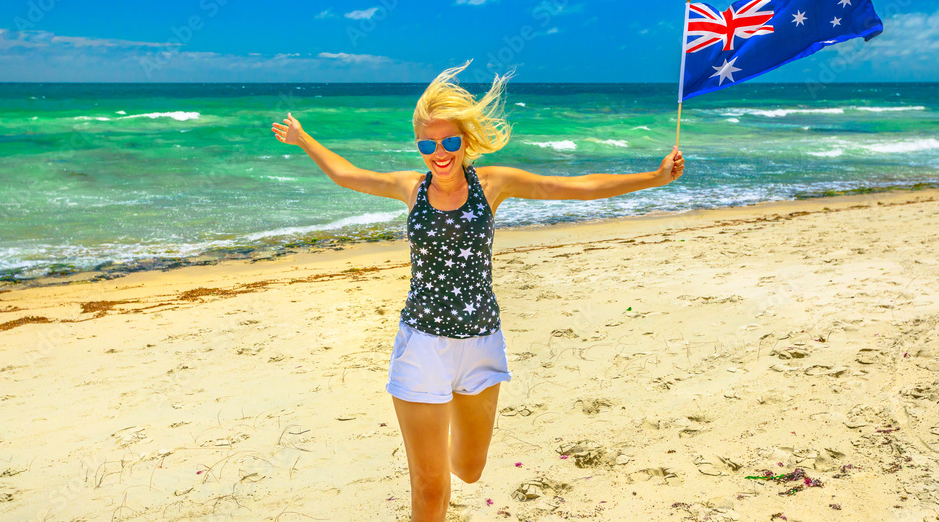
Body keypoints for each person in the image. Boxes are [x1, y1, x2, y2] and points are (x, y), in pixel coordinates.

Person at [271, 60, 684, 521]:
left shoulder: (492, 183)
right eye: (428, 143)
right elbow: (347, 174)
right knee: (431, 491)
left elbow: (573, 188)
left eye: (449, 141)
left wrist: (654, 177)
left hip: (481, 344)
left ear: (465, 141)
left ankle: (441, 441)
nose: (439, 152)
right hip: (421, 346)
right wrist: (304, 139)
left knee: (469, 469)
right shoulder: (410, 188)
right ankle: (428, 441)